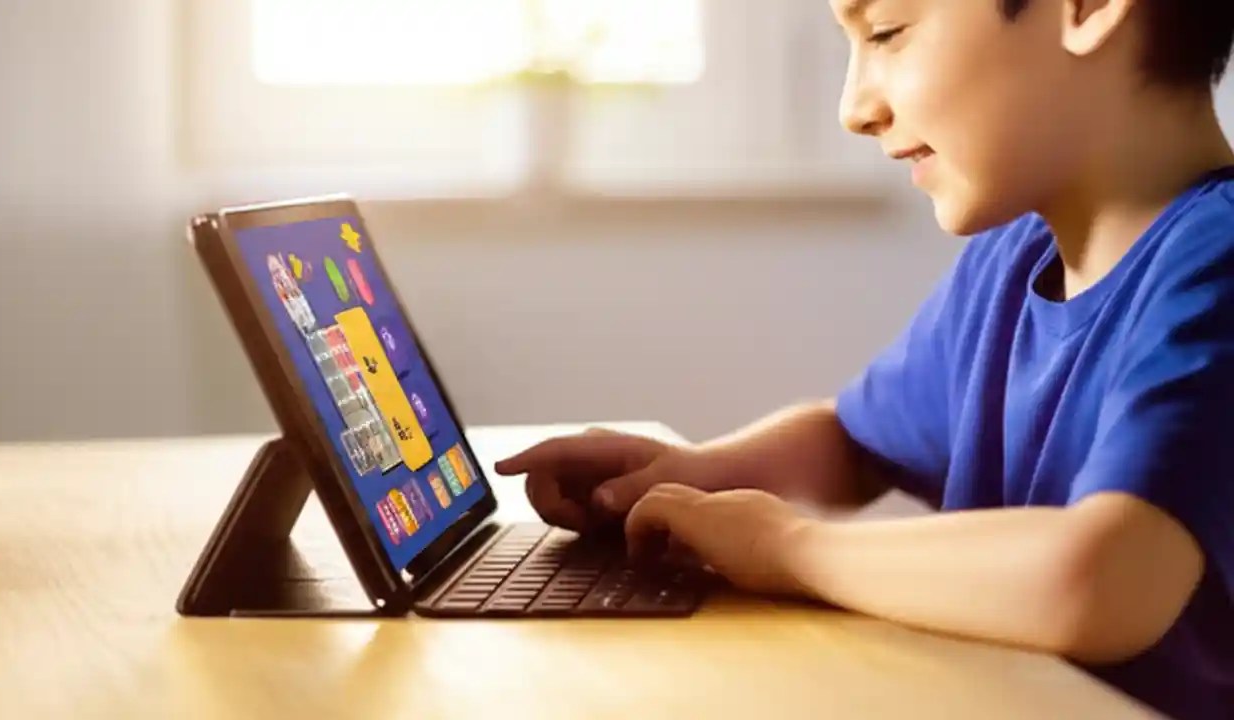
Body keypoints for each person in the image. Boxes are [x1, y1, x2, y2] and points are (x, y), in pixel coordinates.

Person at [495, 1, 1234, 717]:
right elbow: (853, 444)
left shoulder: (1217, 265)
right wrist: (690, 474)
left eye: (887, 31)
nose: (854, 108)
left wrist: (788, 548)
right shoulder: (1012, 260)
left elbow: (1101, 584)